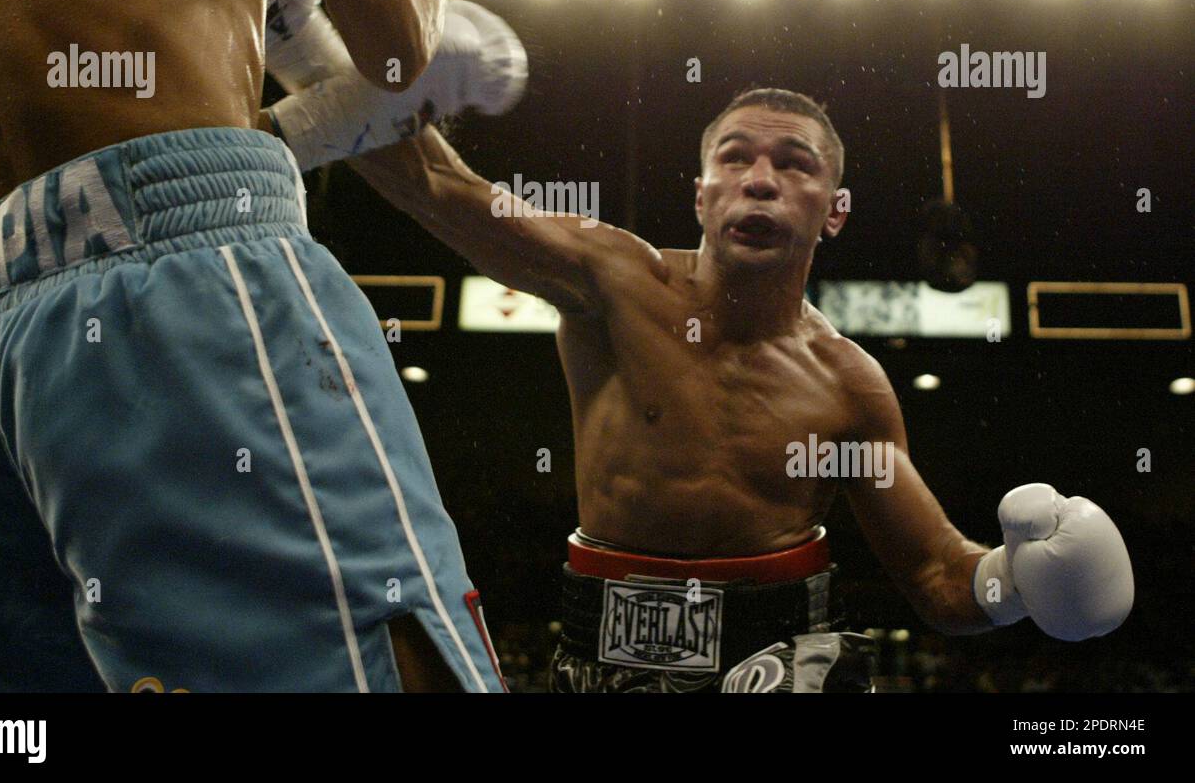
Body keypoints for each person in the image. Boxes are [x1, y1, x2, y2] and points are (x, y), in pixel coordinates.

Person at [0, 0, 518, 692]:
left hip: (5, 338)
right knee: (380, 654)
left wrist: (292, 44)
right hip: (196, 284)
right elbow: (394, 51)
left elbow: (202, 128)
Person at [341, 86, 1135, 692]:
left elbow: (935, 576)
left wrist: (1019, 585)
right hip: (600, 654)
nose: (760, 180)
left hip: (782, 657)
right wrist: (337, 63)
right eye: (734, 158)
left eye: (794, 164)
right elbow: (439, 189)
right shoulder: (615, 282)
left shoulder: (848, 388)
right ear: (700, 194)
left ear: (834, 210)